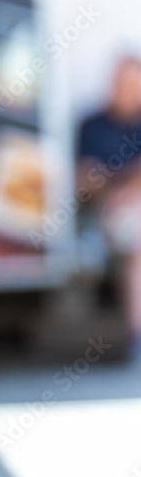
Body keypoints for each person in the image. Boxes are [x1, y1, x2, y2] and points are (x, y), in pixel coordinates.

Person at [78, 55, 141, 353]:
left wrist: (119, 182)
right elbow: (85, 181)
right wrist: (124, 183)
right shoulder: (92, 125)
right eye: (120, 82)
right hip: (105, 219)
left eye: (132, 83)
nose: (126, 89)